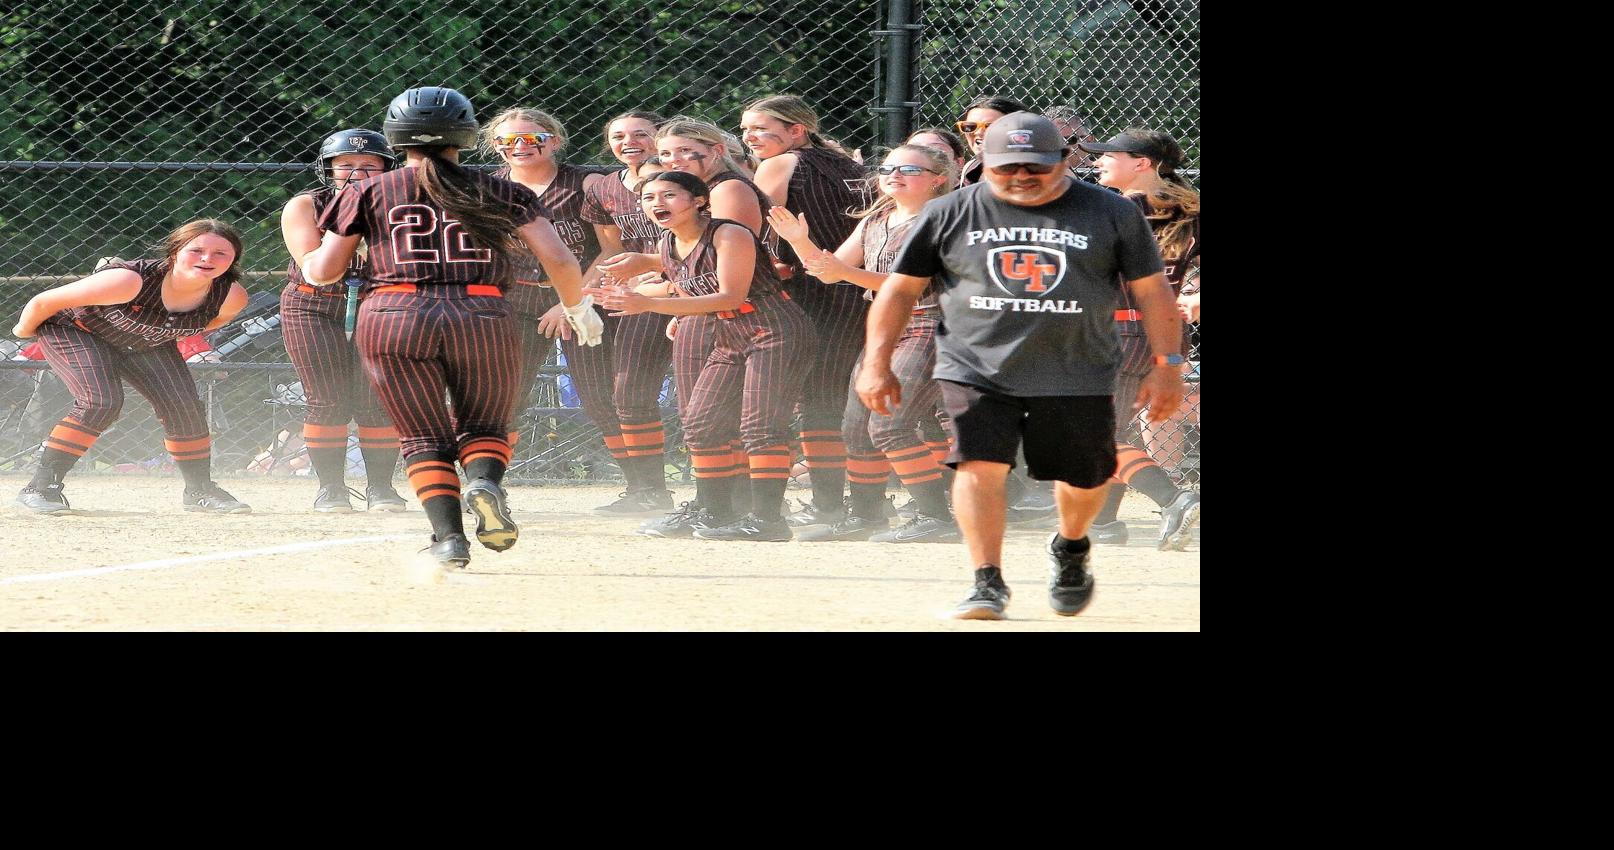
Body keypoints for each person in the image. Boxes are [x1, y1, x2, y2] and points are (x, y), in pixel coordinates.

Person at [861, 112, 1183, 620]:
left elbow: (1153, 292)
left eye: (1036, 166)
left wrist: (1168, 364)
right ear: (983, 162)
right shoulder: (950, 211)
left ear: (1062, 159)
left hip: (1077, 361)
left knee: (1082, 474)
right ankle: (986, 581)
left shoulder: (1111, 212)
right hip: (975, 361)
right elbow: (899, 291)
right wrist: (876, 362)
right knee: (978, 463)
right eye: (1008, 166)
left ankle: (1071, 546)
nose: (1022, 175)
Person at [301, 86, 601, 570]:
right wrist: (576, 307)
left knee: (423, 435)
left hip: (395, 313)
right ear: (464, 134)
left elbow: (327, 270)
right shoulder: (504, 189)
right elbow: (561, 260)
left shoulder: (367, 189)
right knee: (484, 423)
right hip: (481, 310)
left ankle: (448, 540)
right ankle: (483, 481)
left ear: (396, 137)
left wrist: (318, 261)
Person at [591, 170, 816, 541]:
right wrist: (622, 297)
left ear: (699, 200)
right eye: (649, 198)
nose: (657, 204)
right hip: (729, 334)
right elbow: (686, 286)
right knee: (701, 423)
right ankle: (714, 513)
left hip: (774, 329)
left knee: (760, 427)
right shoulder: (667, 243)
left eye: (668, 195)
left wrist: (645, 302)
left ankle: (768, 521)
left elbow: (731, 296)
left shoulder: (729, 233)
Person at [767, 142, 959, 542]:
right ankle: (867, 516)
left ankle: (937, 518)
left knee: (891, 426)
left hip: (932, 324)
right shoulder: (878, 219)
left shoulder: (944, 219)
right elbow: (828, 271)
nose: (894, 174)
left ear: (938, 179)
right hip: (887, 329)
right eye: (888, 167)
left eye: (909, 169)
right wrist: (799, 240)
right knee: (855, 428)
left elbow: (913, 285)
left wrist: (844, 272)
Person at [483, 108, 660, 513]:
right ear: (496, 146)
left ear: (556, 141)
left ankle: (646, 489)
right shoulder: (488, 188)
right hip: (514, 299)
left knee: (602, 395)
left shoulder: (586, 184)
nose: (521, 147)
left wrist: (572, 301)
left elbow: (611, 248)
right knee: (503, 396)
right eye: (509, 141)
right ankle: (487, 485)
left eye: (533, 138)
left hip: (584, 297)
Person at [11, 219, 253, 515]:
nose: (207, 259)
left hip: (143, 339)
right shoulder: (129, 281)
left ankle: (200, 491)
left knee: (185, 407)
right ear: (175, 251)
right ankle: (41, 487)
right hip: (77, 330)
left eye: (220, 254)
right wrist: (24, 332)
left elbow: (211, 321)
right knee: (102, 401)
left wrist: (162, 331)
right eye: (197, 250)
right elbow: (42, 302)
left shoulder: (230, 296)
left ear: (233, 260)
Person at [599, 117, 772, 508]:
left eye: (683, 152)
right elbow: (692, 267)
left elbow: (725, 269)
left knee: (713, 413)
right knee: (700, 413)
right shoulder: (688, 193)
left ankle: (734, 503)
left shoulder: (726, 189)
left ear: (715, 151)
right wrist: (646, 281)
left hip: (735, 313)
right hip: (705, 307)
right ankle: (716, 501)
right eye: (664, 154)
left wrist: (660, 295)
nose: (672, 160)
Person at [740, 94, 872, 531]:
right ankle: (858, 502)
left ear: (797, 130)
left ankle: (830, 506)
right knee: (837, 396)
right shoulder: (846, 164)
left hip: (814, 289)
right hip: (856, 287)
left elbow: (755, 232)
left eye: (760, 128)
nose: (750, 136)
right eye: (745, 129)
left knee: (818, 401)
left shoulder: (780, 165)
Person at [1078, 129, 1201, 550]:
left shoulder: (1115, 209)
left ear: (1141, 164)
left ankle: (1175, 499)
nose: (1097, 162)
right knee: (1116, 428)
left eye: (1107, 156)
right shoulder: (1189, 207)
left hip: (1119, 330)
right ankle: (1104, 523)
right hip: (1165, 332)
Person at [279, 128, 408, 513]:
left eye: (369, 166)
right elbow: (317, 269)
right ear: (328, 169)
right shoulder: (306, 205)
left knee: (377, 398)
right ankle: (331, 488)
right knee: (327, 398)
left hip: (378, 304)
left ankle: (381, 488)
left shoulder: (404, 206)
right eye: (345, 165)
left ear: (387, 169)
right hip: (313, 304)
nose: (356, 173)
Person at [579, 110, 680, 512]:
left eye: (641, 134)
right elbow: (613, 249)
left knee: (711, 397)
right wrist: (583, 294)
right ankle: (649, 490)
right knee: (629, 390)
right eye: (618, 136)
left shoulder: (683, 180)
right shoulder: (605, 187)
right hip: (639, 299)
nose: (629, 141)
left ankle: (743, 491)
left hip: (690, 290)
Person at [954, 95, 1030, 186]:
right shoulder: (971, 168)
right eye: (970, 126)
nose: (978, 132)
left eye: (991, 126)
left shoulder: (1030, 172)